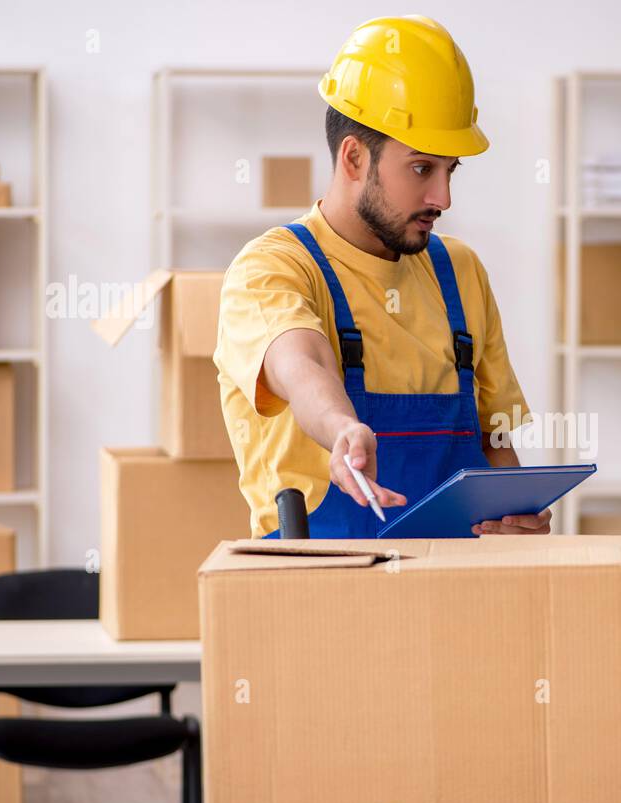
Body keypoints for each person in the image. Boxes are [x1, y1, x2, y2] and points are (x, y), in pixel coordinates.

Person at [213, 15, 548, 539]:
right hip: (321, 593)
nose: (443, 198)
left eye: (450, 170)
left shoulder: (460, 272)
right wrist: (343, 430)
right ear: (354, 157)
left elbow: (494, 439)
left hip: (461, 596)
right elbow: (300, 364)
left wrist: (516, 510)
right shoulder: (273, 267)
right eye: (422, 169)